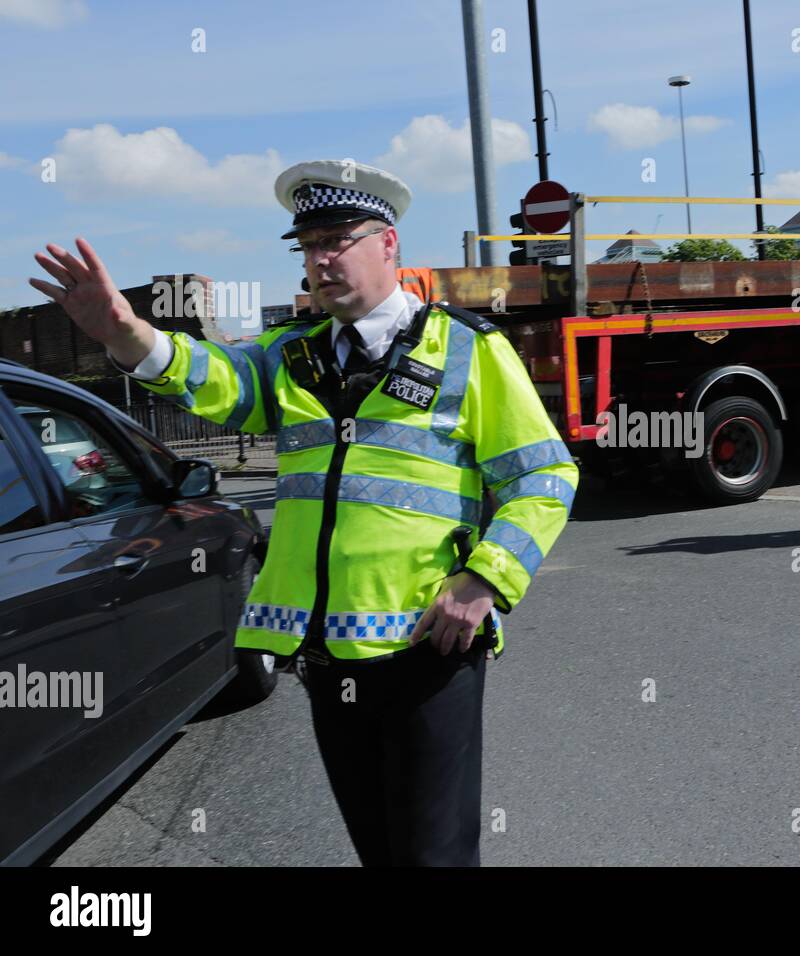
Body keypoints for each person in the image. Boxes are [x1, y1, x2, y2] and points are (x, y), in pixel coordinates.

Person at [29, 159, 578, 866]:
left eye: (337, 240)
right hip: (325, 656)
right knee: (378, 851)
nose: (320, 260)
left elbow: (546, 474)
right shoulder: (291, 356)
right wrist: (127, 333)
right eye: (308, 246)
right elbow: (214, 379)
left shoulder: (468, 351)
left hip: (428, 649)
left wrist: (485, 581)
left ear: (388, 244)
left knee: (434, 856)